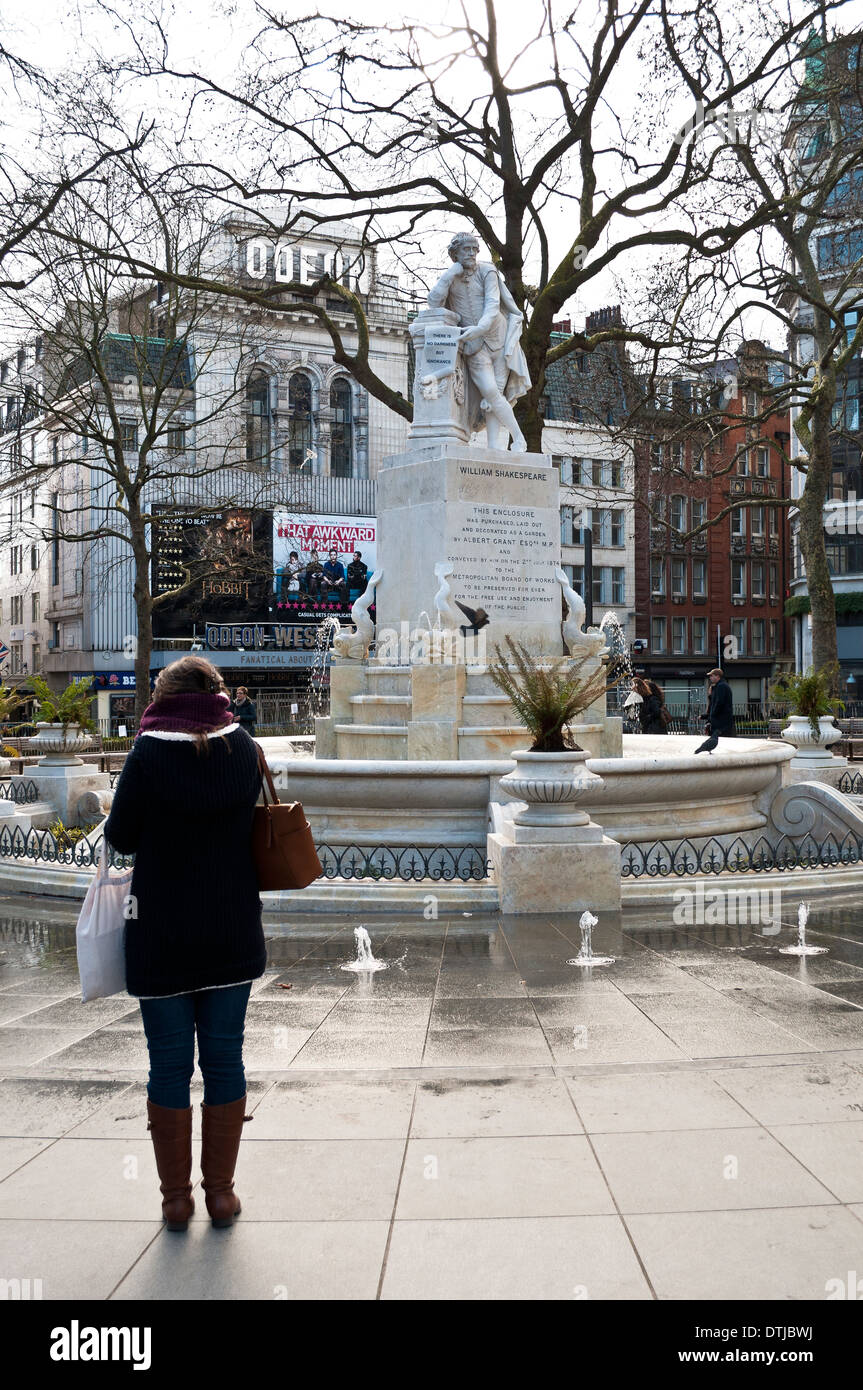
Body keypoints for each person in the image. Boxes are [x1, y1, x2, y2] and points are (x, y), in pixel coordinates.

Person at [103, 655, 266, 1232]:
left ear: (163, 697)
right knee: (225, 1059)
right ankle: (220, 1195)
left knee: (168, 1066)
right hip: (230, 931)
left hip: (161, 934)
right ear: (217, 694)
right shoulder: (244, 747)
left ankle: (176, 1202)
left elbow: (121, 837)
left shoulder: (147, 753)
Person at [426, 230, 531, 452]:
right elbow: (434, 303)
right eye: (467, 249)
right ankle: (519, 437)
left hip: (500, 340)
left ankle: (494, 446)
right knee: (491, 392)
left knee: (494, 396)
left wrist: (478, 329)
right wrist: (449, 275)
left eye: (475, 249)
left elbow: (493, 305)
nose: (472, 253)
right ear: (455, 253)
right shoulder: (451, 278)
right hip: (474, 347)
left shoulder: (487, 270)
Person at [695, 668, 736, 754]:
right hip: (722, 722)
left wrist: (711, 716)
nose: (710, 678)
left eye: (711, 676)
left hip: (721, 723)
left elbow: (718, 704)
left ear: (718, 676)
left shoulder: (721, 686)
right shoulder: (721, 686)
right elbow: (715, 704)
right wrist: (706, 716)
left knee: (720, 746)